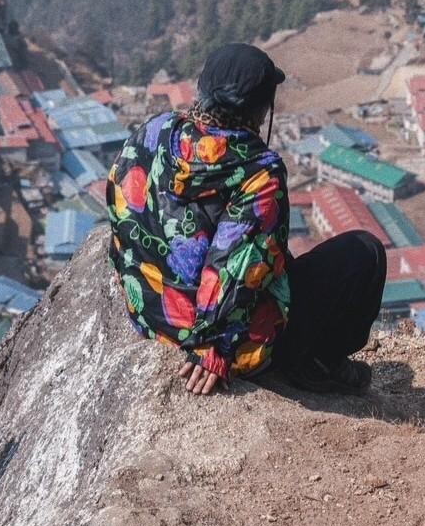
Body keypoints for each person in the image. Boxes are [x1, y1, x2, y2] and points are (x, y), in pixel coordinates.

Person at [106, 42, 387, 395]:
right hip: (217, 338)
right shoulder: (258, 173)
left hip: (152, 314)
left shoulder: (153, 131)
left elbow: (121, 207)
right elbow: (237, 268)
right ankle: (314, 363)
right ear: (261, 111)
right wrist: (214, 348)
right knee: (364, 252)